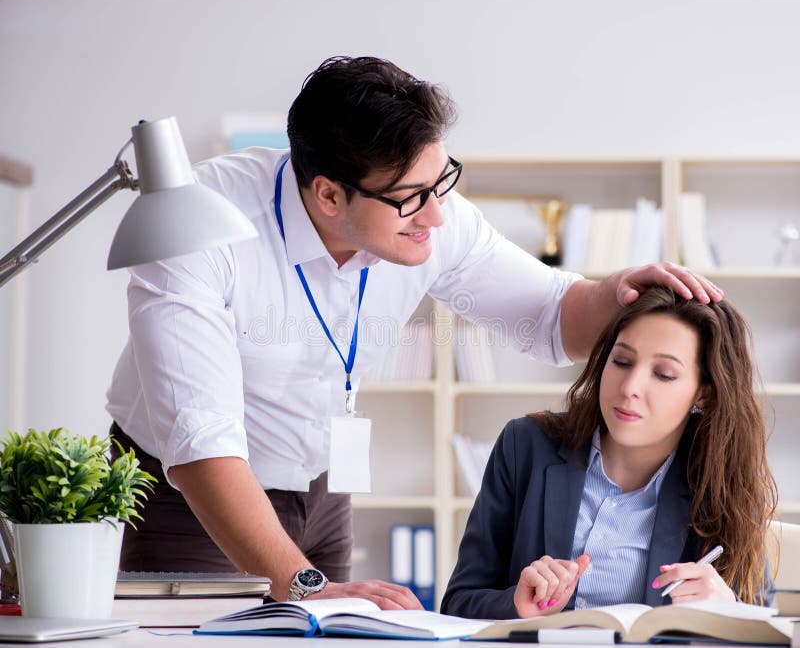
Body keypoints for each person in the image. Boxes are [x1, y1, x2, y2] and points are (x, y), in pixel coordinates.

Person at [106, 56, 722, 608]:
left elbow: (549, 315)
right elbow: (201, 440)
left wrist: (616, 293)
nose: (436, 215)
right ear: (328, 196)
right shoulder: (198, 224)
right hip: (193, 498)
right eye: (411, 198)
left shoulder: (424, 210)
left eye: (441, 182)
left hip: (321, 486)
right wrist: (304, 584)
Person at [441, 287, 777, 619]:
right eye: (622, 361)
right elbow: (459, 602)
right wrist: (516, 605)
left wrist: (728, 607)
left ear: (704, 393)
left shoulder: (721, 480)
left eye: (663, 374)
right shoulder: (525, 446)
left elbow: (767, 624)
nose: (629, 387)